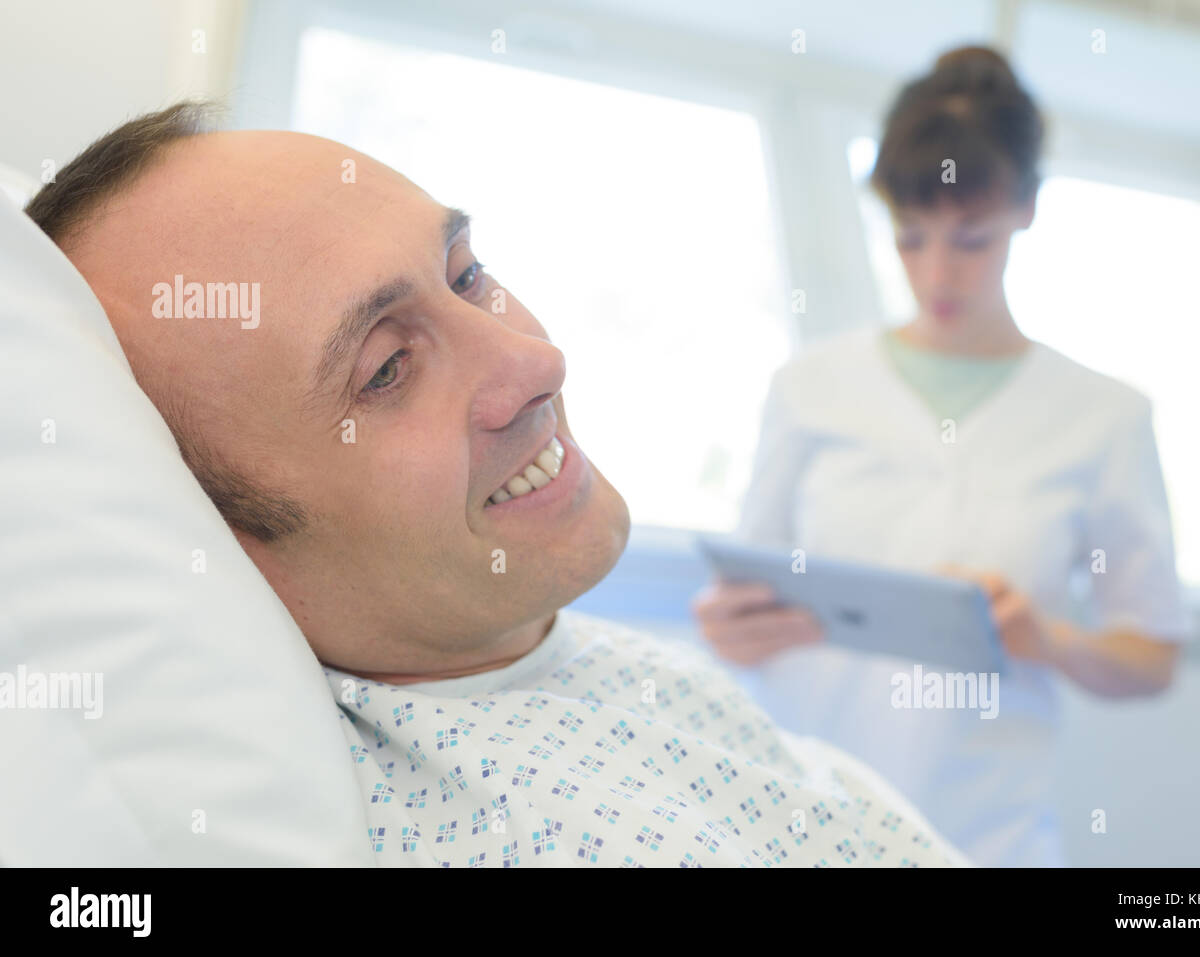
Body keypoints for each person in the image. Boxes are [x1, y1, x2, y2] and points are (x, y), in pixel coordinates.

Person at [24, 102, 971, 868]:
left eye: (468, 275)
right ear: (227, 544)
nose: (536, 359)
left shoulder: (547, 654)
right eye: (388, 369)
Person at [692, 46, 1196, 868]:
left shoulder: (1103, 417)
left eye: (971, 239)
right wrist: (728, 627)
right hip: (792, 820)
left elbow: (1152, 659)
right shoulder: (809, 388)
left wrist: (1050, 639)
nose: (937, 274)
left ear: (1026, 209)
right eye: (910, 237)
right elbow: (744, 603)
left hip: (983, 835)